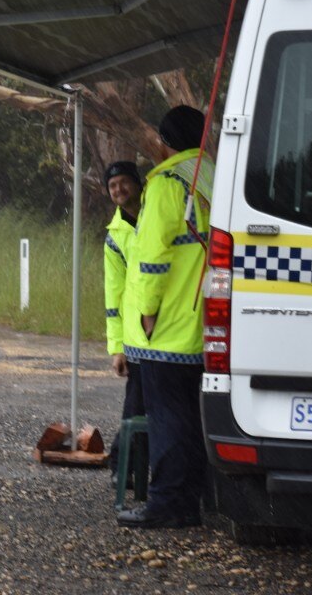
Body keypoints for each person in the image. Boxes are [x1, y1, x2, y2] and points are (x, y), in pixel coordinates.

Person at [117, 105, 214, 529]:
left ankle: (168, 504)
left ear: (164, 142)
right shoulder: (212, 175)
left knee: (169, 419)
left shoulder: (166, 183)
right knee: (194, 418)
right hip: (203, 320)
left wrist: (148, 314)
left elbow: (153, 258)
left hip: (169, 326)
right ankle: (194, 500)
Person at [102, 160, 145, 478]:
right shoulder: (114, 237)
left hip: (170, 326)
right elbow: (113, 297)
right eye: (112, 186)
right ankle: (122, 464)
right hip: (135, 335)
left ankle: (128, 462)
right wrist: (117, 347)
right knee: (136, 402)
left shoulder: (156, 215)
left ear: (138, 183)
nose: (118, 190)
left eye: (123, 183)